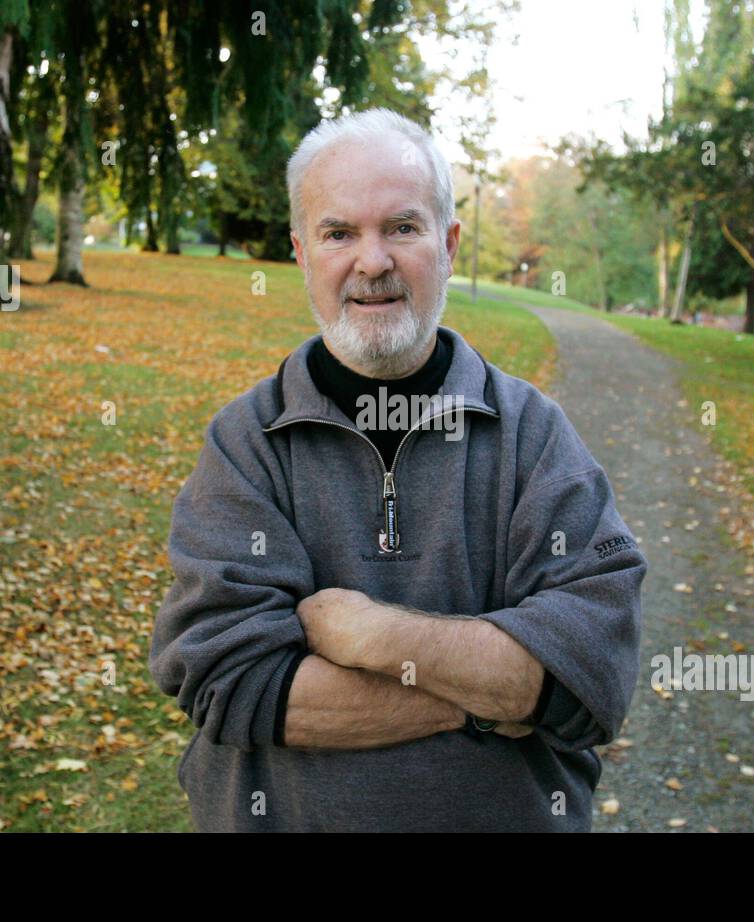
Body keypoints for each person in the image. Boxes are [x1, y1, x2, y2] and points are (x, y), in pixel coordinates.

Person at [148, 108, 646, 832]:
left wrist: (371, 635)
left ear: (447, 244)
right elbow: (230, 679)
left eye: (402, 228)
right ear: (301, 253)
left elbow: (591, 668)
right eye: (340, 233)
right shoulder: (245, 443)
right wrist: (486, 692)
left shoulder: (534, 436)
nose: (373, 262)